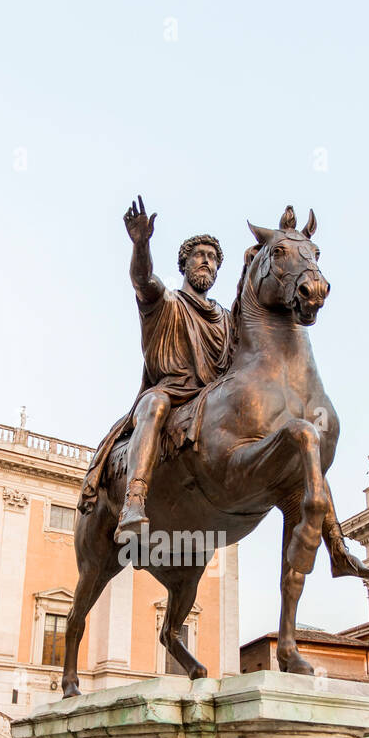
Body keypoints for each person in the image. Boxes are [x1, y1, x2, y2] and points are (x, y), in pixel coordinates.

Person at [78, 195, 232, 535]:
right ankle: (135, 498)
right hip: (171, 391)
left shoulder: (226, 319)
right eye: (199, 256)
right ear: (185, 264)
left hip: (209, 399)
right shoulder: (165, 302)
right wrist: (141, 245)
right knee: (154, 403)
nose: (206, 262)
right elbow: (142, 280)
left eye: (212, 258)